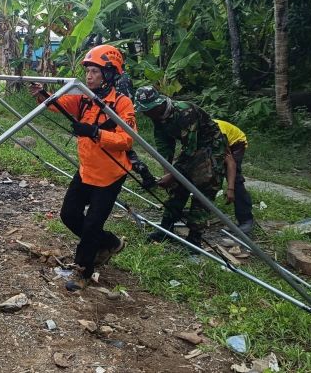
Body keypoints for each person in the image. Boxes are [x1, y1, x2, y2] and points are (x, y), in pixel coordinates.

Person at [29, 45, 135, 291]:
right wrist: (43, 94)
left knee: (91, 226)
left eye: (95, 71)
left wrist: (95, 132)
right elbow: (60, 104)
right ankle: (110, 243)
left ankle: (83, 271)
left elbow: (127, 140)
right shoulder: (85, 99)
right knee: (69, 215)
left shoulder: (121, 103)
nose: (89, 76)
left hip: (110, 175)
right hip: (87, 170)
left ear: (109, 73)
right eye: (87, 71)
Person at [134, 87, 236, 247]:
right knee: (177, 188)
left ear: (159, 104)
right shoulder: (157, 116)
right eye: (143, 111)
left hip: (211, 149)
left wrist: (173, 174)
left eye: (149, 110)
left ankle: (194, 240)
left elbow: (190, 149)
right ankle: (165, 229)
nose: (146, 114)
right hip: (191, 148)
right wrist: (168, 172)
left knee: (203, 191)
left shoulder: (184, 112)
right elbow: (164, 146)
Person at [215, 119, 255, 234]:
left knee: (235, 179)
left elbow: (231, 163)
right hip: (219, 141)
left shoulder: (217, 134)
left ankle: (246, 220)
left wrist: (230, 188)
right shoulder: (191, 133)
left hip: (236, 142)